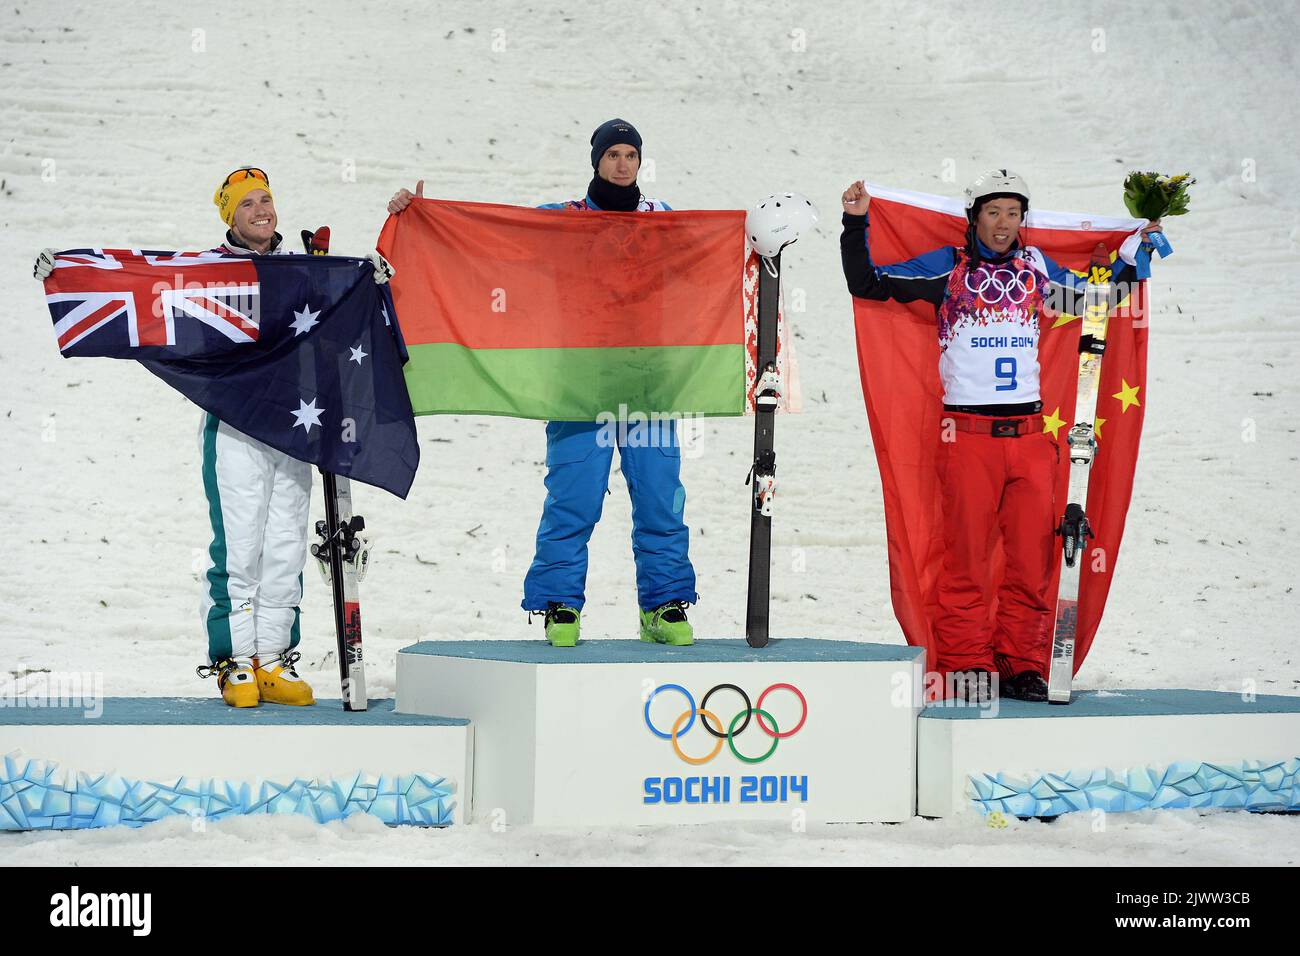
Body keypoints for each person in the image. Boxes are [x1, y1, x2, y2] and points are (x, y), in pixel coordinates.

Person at [36, 165, 390, 708]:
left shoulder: (305, 268)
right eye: (246, 204)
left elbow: (345, 314)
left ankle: (271, 658)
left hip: (297, 427)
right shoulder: (209, 273)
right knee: (241, 548)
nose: (260, 210)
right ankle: (233, 661)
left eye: (266, 199)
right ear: (230, 215)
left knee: (285, 549)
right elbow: (142, 280)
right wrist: (69, 274)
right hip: (238, 426)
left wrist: (372, 279)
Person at [839, 171, 1163, 701]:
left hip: (1032, 437)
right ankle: (968, 664)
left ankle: (1021, 665)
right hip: (968, 436)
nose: (1004, 224)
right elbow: (867, 283)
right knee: (966, 558)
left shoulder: (1035, 269)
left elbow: (1098, 301)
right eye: (993, 212)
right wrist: (855, 224)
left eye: (1014, 213)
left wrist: (1135, 250)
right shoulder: (950, 268)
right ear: (974, 217)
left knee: (1032, 563)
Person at [386, 118, 698, 648]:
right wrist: (425, 217)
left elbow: (707, 260)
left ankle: (664, 605)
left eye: (630, 154)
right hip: (579, 382)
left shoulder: (663, 219)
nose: (622, 164)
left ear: (640, 162)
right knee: (574, 497)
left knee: (659, 496)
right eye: (612, 154)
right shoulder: (561, 221)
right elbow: (495, 239)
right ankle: (560, 604)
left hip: (650, 384)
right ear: (596, 161)